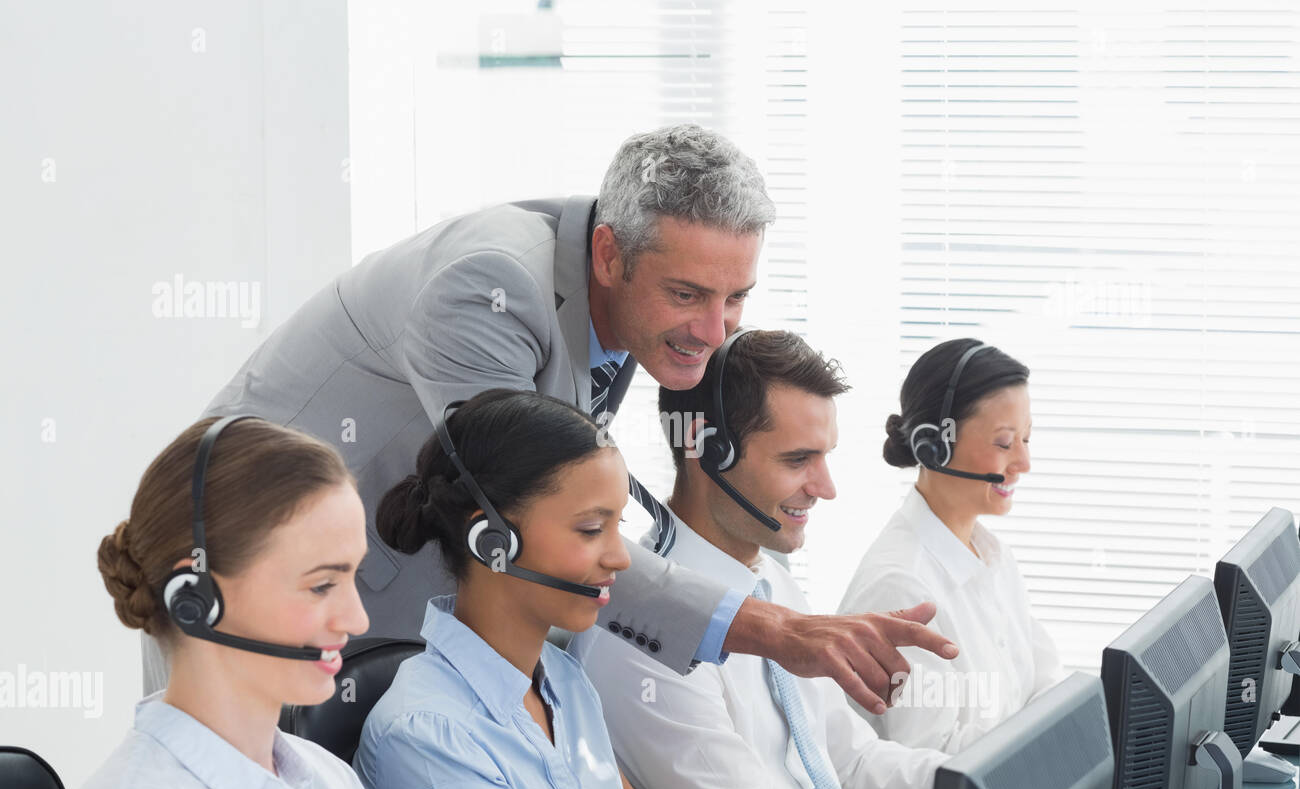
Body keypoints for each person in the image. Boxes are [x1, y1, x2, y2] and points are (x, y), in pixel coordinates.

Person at [143, 124, 960, 719]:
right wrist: (771, 628)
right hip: (260, 595)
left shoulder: (630, 301)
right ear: (608, 253)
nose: (715, 334)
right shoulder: (489, 286)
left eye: (734, 298)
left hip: (388, 609)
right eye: (687, 296)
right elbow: (533, 516)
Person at [570, 329, 948, 789]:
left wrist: (979, 779)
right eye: (798, 460)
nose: (826, 486)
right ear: (708, 452)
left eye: (825, 456)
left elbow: (850, 762)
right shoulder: (647, 638)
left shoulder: (769, 578)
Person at [352, 389, 703, 789]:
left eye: (618, 525)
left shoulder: (565, 682)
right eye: (590, 529)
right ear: (492, 541)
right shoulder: (428, 733)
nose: (620, 556)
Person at [49, 417, 397, 789]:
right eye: (321, 585)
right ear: (196, 599)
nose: (357, 619)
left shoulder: (331, 785)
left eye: (354, 575)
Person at [837, 339, 1066, 754]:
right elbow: (929, 756)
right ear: (934, 447)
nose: (1024, 463)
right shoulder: (901, 586)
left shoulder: (993, 557)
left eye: (1027, 439)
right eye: (1004, 442)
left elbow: (1044, 683)